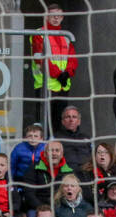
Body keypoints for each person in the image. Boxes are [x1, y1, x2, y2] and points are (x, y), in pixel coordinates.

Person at [28, 3, 77, 137]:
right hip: (45, 86)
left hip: (62, 87)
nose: (56, 18)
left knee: (59, 125)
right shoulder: (39, 34)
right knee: (43, 124)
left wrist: (68, 73)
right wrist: (58, 74)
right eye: (53, 15)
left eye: (59, 15)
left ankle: (55, 152)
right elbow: (40, 59)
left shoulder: (65, 36)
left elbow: (73, 59)